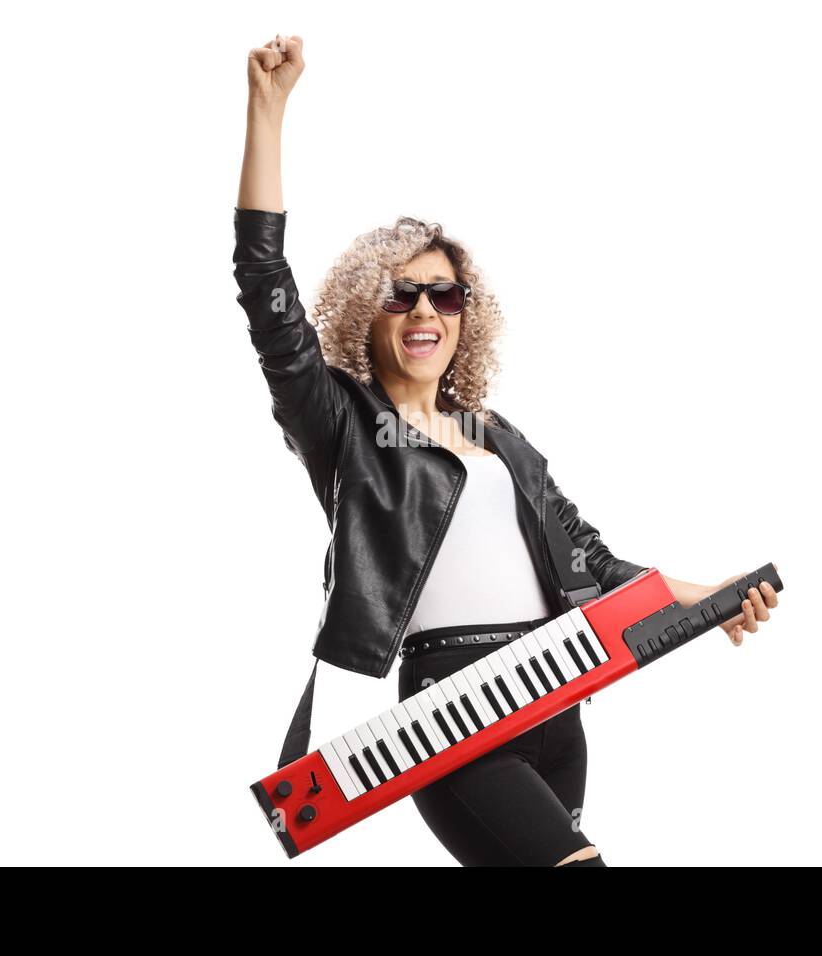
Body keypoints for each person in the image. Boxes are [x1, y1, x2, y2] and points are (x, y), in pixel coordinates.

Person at [234, 34, 781, 866]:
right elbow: (266, 290)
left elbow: (588, 561)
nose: (424, 308)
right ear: (365, 311)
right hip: (452, 710)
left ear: (464, 312)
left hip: (557, 690)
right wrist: (267, 113)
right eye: (400, 292)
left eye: (443, 292)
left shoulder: (502, 439)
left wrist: (711, 599)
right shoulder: (342, 424)